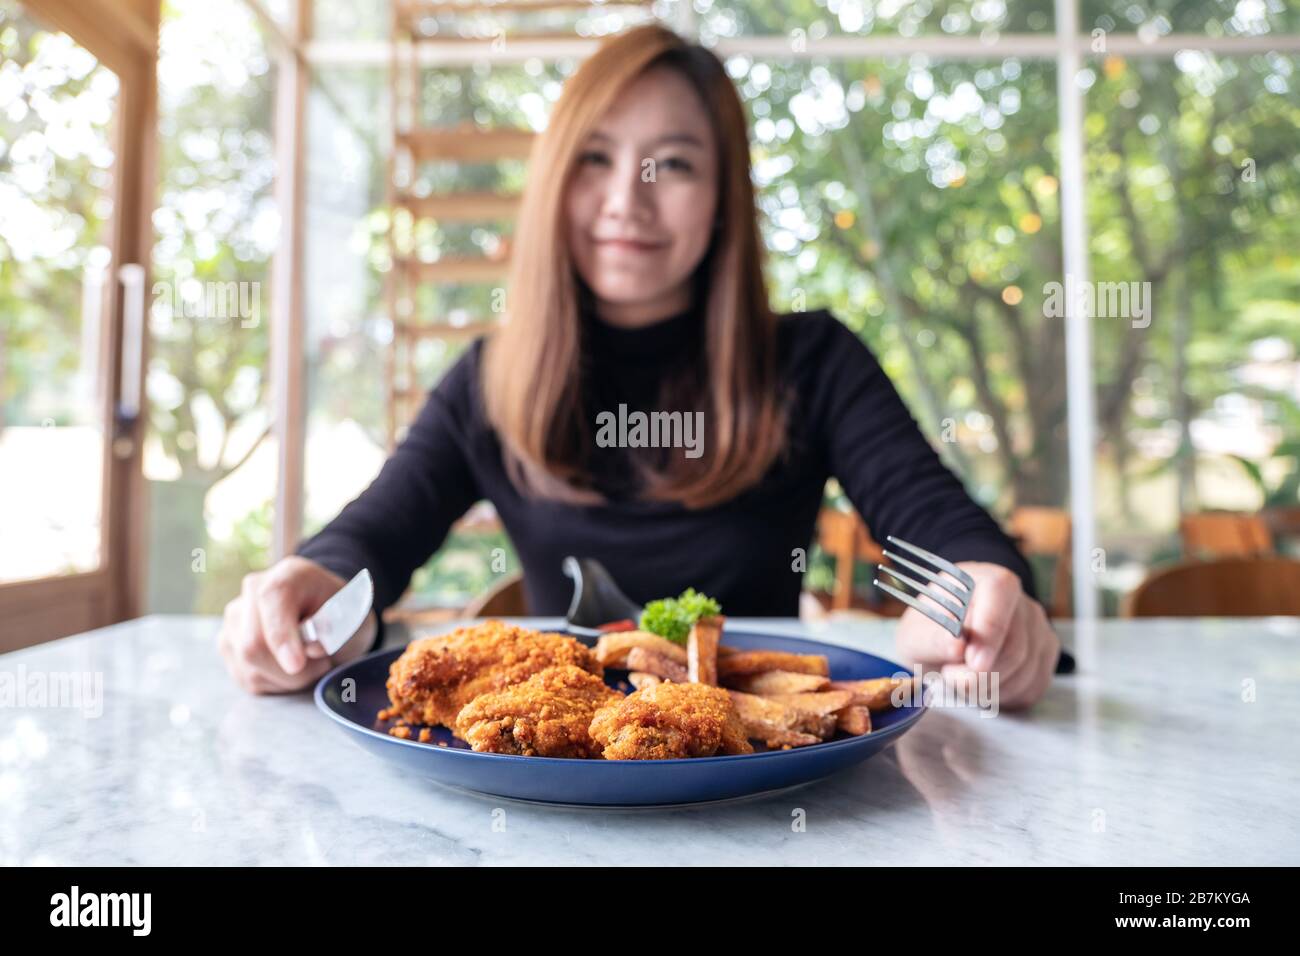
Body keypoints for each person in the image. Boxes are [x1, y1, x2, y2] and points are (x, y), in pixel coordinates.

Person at [217, 24, 1061, 709]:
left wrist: (982, 603)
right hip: (557, 775)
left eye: (675, 164)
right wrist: (306, 600)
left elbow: (946, 529)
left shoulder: (813, 359)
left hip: (771, 783)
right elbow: (372, 538)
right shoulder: (490, 375)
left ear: (725, 195)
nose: (628, 198)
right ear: (554, 181)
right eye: (595, 157)